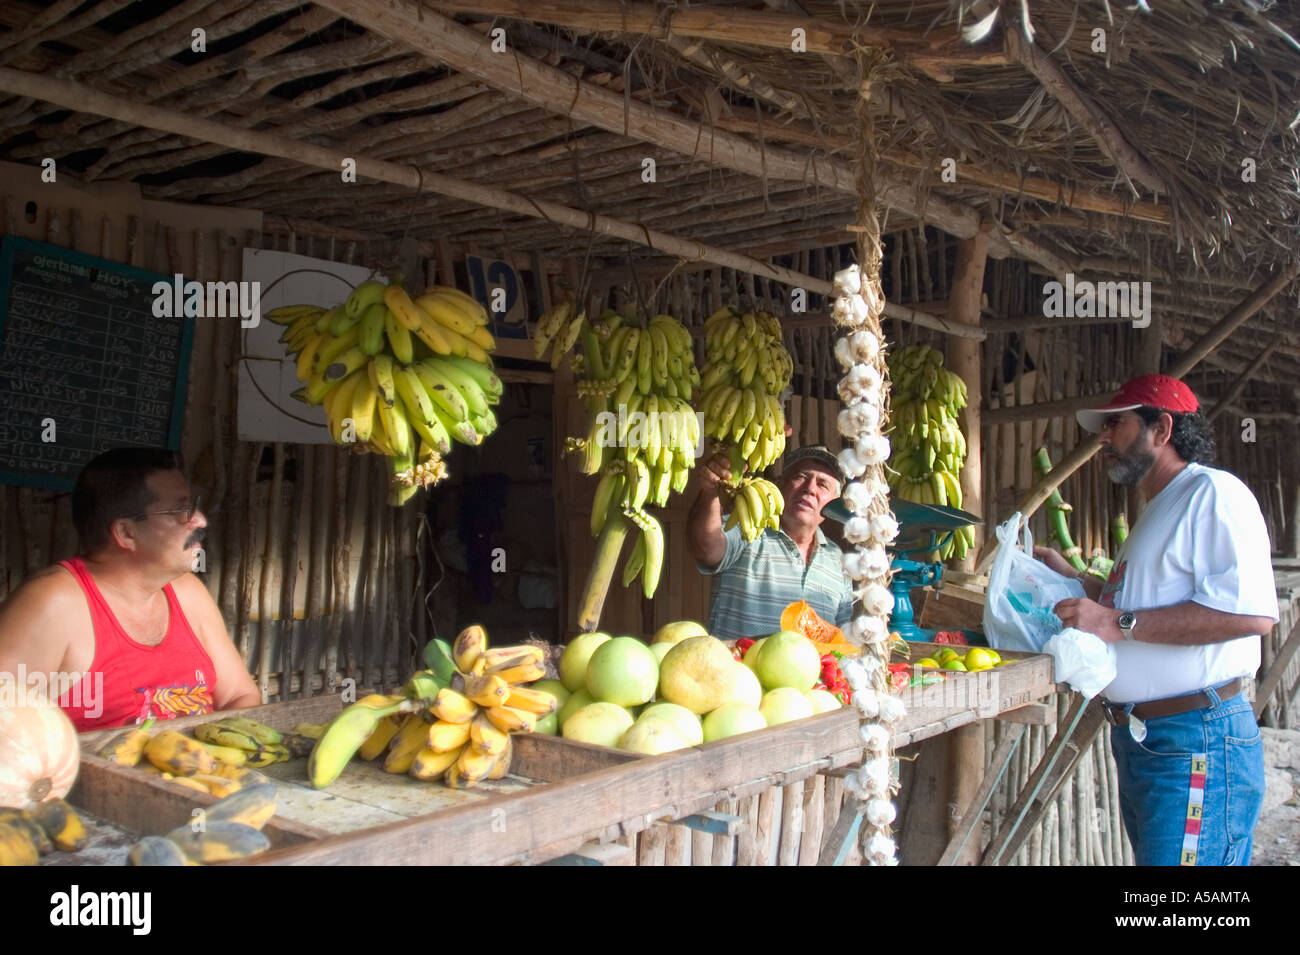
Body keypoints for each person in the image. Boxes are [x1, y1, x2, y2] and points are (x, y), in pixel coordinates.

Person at [1032, 374, 1276, 866]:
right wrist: (1077, 582)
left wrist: (1113, 622)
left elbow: (1250, 614)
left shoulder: (1211, 494)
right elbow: (1137, 606)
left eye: (1116, 424)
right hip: (1152, 741)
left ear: (1162, 429)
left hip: (1197, 737)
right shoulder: (1160, 507)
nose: (1103, 438)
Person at [0, 448, 261, 730]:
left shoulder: (187, 592)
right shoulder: (53, 604)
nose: (199, 520)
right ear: (126, 533)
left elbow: (239, 695)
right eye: (179, 510)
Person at [688, 445, 853, 640]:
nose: (810, 489)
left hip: (817, 670)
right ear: (780, 485)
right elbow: (706, 548)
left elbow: (843, 636)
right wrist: (710, 493)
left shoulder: (838, 560)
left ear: (835, 501)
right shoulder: (747, 528)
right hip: (740, 669)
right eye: (800, 477)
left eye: (823, 484)